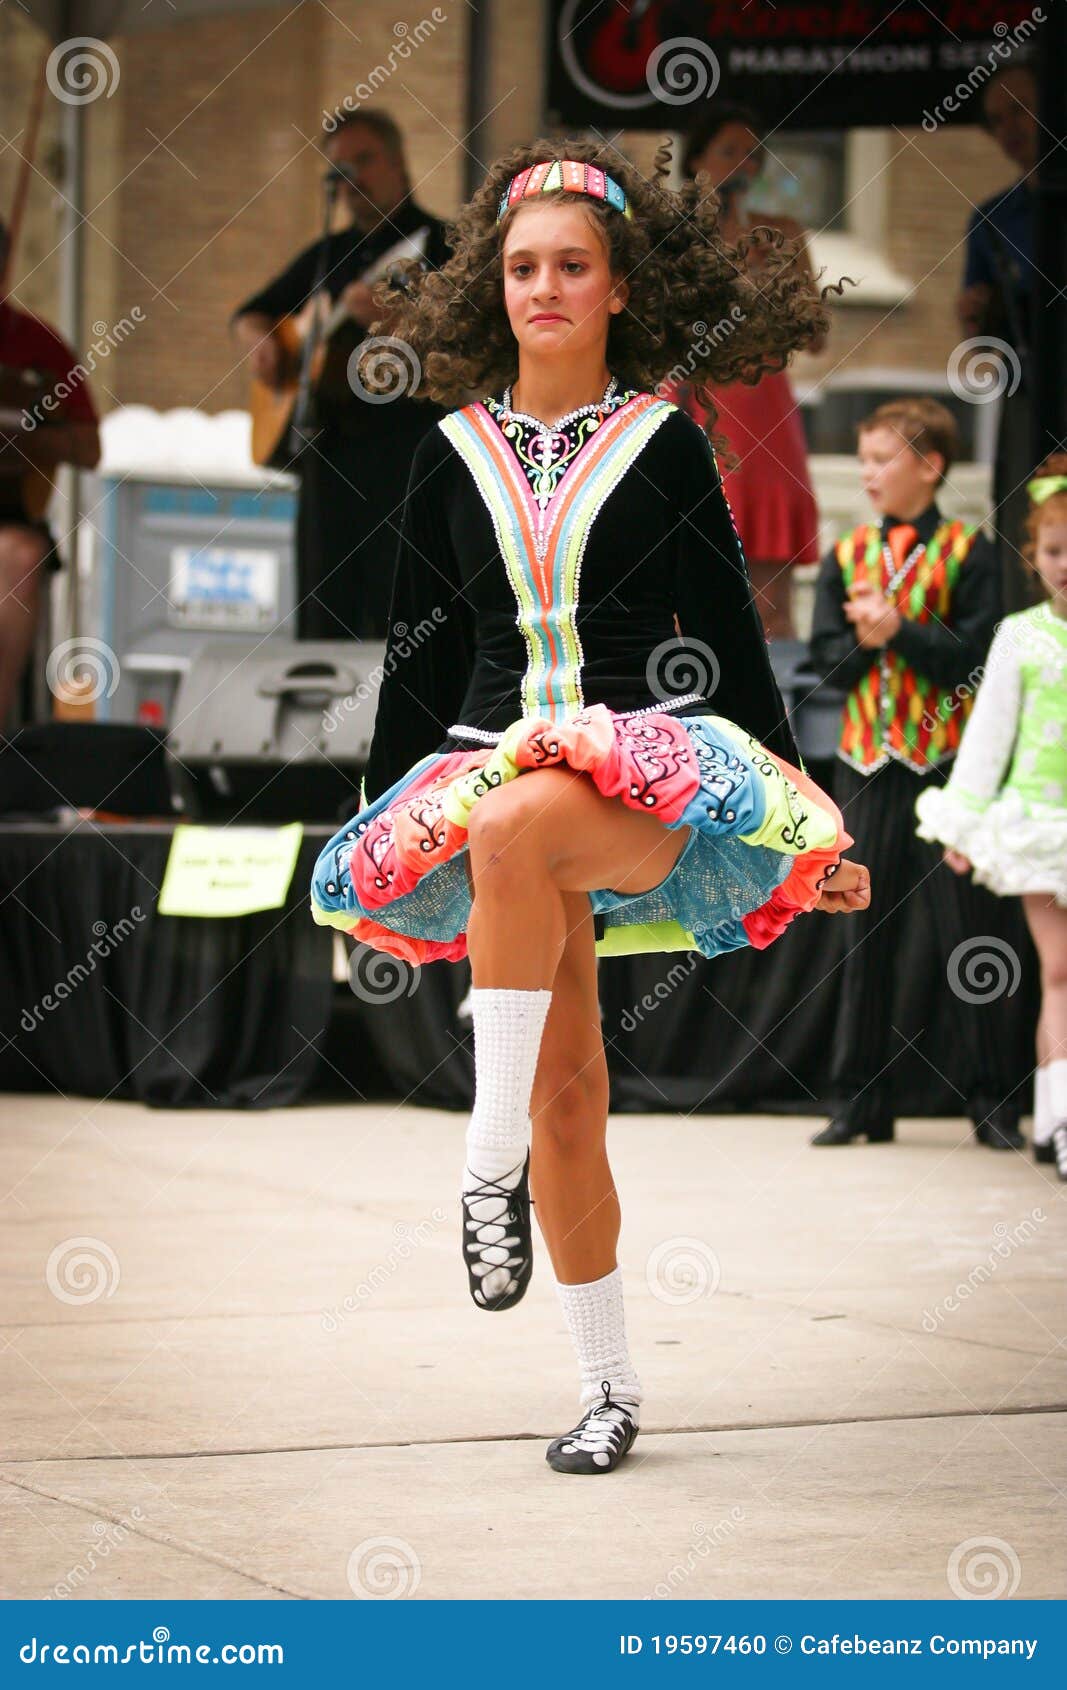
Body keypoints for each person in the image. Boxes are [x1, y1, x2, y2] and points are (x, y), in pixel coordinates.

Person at [310, 140, 870, 1476]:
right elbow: (418, 666)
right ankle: (608, 1388)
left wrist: (804, 817)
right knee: (571, 1098)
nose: (544, 288)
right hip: (482, 766)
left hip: (639, 769)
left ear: (620, 286)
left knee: (516, 828)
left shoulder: (665, 441)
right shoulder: (445, 451)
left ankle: (478, 1159)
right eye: (522, 268)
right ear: (491, 287)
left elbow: (727, 639)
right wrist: (381, 830)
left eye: (572, 266)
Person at [808, 397, 1023, 1150]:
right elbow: (824, 665)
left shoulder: (971, 553)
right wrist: (864, 643)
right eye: (862, 460)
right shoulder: (845, 555)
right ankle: (858, 1101)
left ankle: (991, 1099)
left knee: (967, 933)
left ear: (929, 467)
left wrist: (901, 632)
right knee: (861, 930)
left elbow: (981, 660)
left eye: (881, 459)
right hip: (865, 763)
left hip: (947, 767)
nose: (867, 474)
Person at [231, 110, 449, 641]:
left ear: (398, 162)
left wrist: (396, 319)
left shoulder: (443, 246)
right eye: (340, 169)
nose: (352, 178)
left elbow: (464, 337)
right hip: (326, 456)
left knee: (399, 610)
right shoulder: (327, 255)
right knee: (323, 612)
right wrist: (264, 344)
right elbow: (251, 314)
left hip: (407, 455)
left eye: (364, 160)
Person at [916, 456, 1067, 1178]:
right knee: (1059, 970)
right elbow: (989, 737)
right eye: (1054, 550)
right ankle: (1063, 1121)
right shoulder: (1019, 635)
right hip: (1040, 824)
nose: (1065, 564)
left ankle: (1048, 1116)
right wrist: (961, 824)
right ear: (1034, 556)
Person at [674, 104, 825, 640]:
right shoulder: (675, 240)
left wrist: (777, 284)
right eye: (729, 151)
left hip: (764, 412)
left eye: (753, 155)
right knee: (686, 587)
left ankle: (774, 686)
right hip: (699, 407)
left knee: (769, 596)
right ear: (696, 160)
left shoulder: (780, 234)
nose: (744, 165)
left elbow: (817, 338)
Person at [0, 218, 101, 729]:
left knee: (20, 558)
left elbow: (89, 448)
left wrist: (21, 437)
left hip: (11, 518)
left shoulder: (37, 345)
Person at [957, 60, 1038, 617]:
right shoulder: (993, 219)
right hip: (1029, 396)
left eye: (1020, 111)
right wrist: (973, 319)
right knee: (1021, 523)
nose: (1009, 128)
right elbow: (980, 344)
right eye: (996, 119)